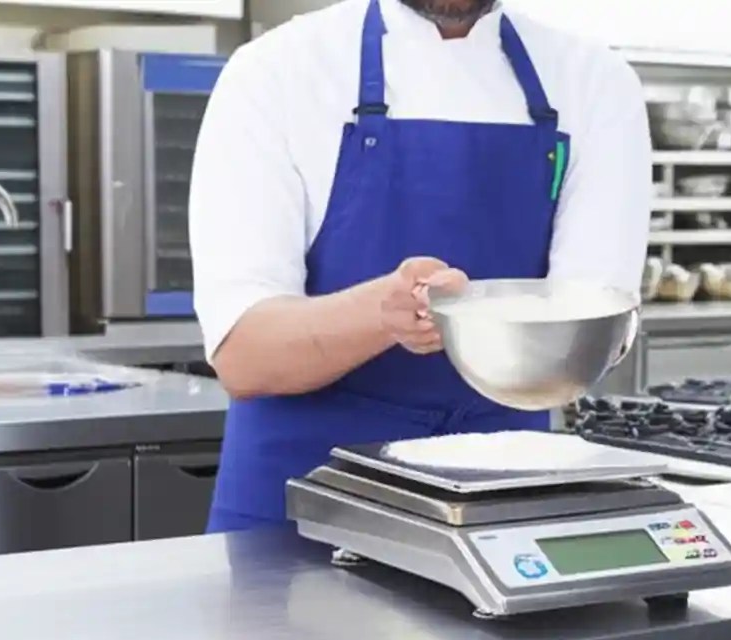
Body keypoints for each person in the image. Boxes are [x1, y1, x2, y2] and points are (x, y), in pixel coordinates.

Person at [189, 0, 651, 532]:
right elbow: (245, 356)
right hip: (299, 503)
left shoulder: (596, 82)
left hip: (501, 500)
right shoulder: (275, 72)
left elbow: (594, 322)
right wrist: (384, 313)